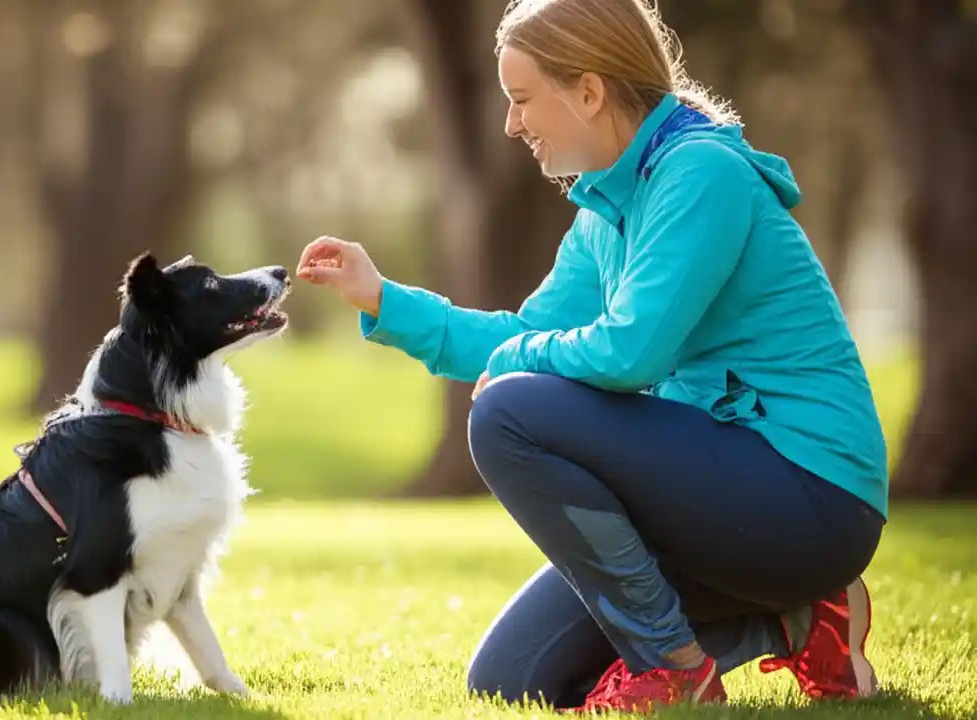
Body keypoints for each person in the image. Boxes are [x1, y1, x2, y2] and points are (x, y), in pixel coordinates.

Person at [295, 0, 888, 713]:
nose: (513, 124)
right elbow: (525, 334)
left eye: (521, 100)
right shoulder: (605, 211)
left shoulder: (701, 175)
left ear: (588, 91)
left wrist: (520, 363)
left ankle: (674, 670)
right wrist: (383, 299)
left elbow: (629, 352)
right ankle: (801, 619)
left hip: (808, 497)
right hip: (716, 498)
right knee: (512, 680)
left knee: (509, 411)